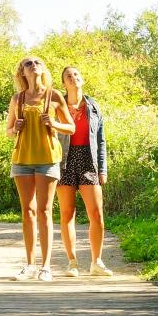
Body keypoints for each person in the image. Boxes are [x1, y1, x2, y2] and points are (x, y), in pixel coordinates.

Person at [6, 55, 74, 281]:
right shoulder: (18, 98)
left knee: (44, 211)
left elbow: (70, 127)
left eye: (37, 63)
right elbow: (8, 131)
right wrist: (15, 127)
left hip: (47, 158)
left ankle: (46, 266)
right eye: (28, 63)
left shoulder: (53, 95)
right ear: (22, 72)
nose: (33, 65)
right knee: (28, 211)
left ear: (43, 69)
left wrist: (53, 123)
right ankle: (29, 265)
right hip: (22, 159)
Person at [57, 66, 113, 278]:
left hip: (88, 160)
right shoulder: (57, 105)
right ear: (64, 83)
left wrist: (103, 169)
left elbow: (101, 140)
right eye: (68, 77)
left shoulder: (94, 107)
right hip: (64, 160)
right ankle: (72, 263)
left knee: (96, 214)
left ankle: (96, 262)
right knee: (67, 213)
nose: (73, 78)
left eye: (76, 75)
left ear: (82, 80)